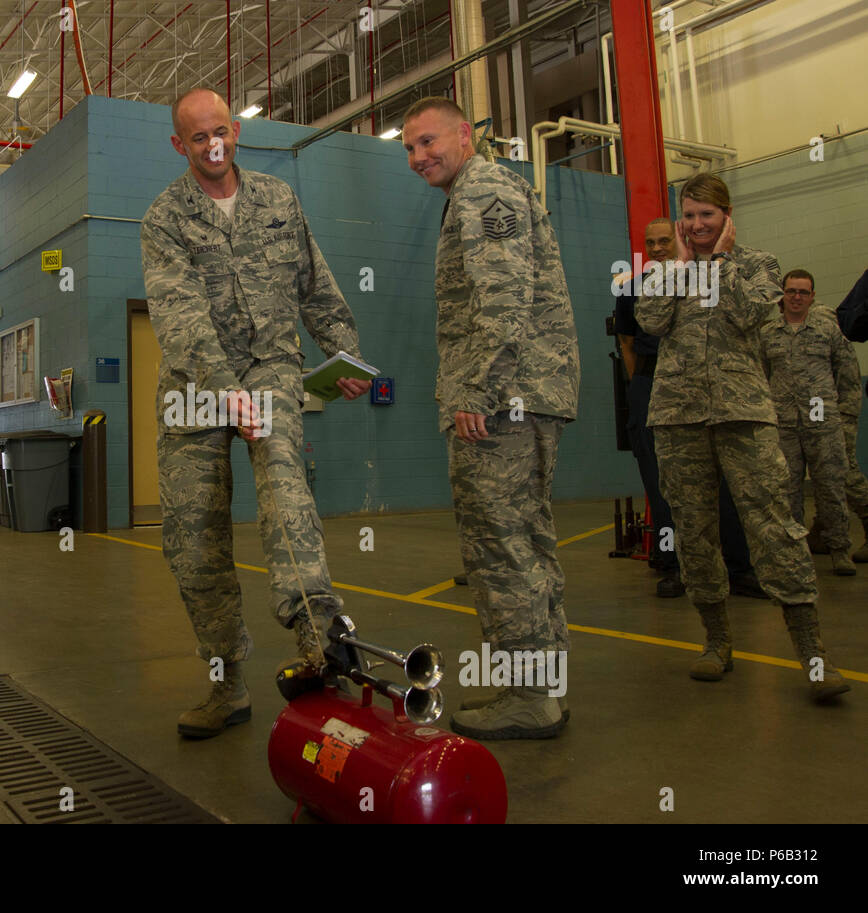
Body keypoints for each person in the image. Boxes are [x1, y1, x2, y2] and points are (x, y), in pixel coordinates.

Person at [141, 88, 371, 739]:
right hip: (195, 386)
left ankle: (319, 641)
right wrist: (223, 389)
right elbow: (179, 317)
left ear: (235, 131)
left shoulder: (278, 199)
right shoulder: (164, 219)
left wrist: (344, 353)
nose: (212, 145)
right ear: (179, 145)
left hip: (272, 370)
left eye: (220, 131)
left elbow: (315, 283)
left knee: (284, 491)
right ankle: (226, 683)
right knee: (191, 539)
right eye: (196, 138)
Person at [402, 97, 579, 739]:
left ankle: (529, 694)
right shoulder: (490, 189)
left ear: (465, 136)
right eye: (410, 150)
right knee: (528, 541)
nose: (420, 157)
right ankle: (547, 688)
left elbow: (503, 294)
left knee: (500, 546)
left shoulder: (483, 192)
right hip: (525, 392)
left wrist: (475, 389)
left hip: (503, 397)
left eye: (429, 142)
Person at [636, 174, 849, 701]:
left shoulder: (757, 264)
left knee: (776, 526)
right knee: (693, 530)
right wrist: (686, 266)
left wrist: (722, 264)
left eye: (707, 214)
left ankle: (814, 656)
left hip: (745, 415)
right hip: (679, 417)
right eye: (688, 214)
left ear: (727, 217)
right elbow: (650, 320)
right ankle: (716, 642)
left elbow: (753, 313)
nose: (696, 224)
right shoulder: (665, 270)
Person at [614, 218, 766, 599]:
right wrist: (641, 385)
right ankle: (676, 564)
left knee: (726, 479)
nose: (658, 247)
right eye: (651, 243)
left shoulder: (708, 275)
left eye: (665, 240)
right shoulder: (633, 287)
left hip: (707, 384)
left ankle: (738, 567)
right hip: (652, 386)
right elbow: (627, 343)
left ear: (678, 239)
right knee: (665, 484)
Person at [761, 269, 862, 574]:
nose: (796, 297)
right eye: (791, 291)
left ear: (812, 296)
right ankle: (794, 554)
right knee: (786, 492)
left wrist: (846, 418)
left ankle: (839, 549)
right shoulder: (767, 333)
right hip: (784, 426)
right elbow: (762, 378)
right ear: (782, 294)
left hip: (823, 422)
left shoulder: (829, 330)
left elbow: (848, 375)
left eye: (803, 292)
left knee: (830, 488)